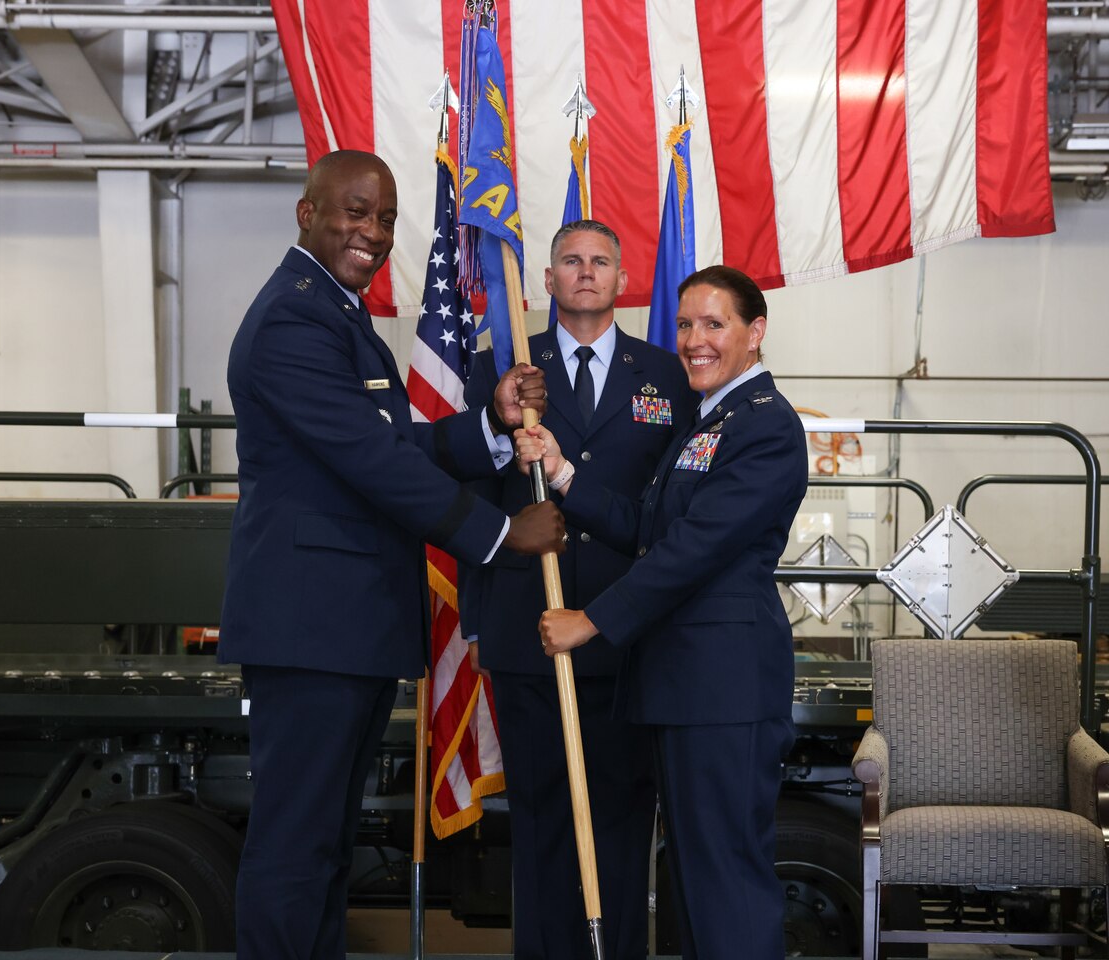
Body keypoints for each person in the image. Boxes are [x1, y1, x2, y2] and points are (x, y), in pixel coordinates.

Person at [218, 149, 566, 960]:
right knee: (295, 846)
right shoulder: (293, 320)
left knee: (324, 847)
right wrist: (500, 535)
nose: (372, 233)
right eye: (355, 212)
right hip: (311, 631)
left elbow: (395, 440)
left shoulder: (337, 314)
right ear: (307, 213)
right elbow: (370, 461)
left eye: (384, 219)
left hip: (343, 630)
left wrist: (490, 423)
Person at [519, 265, 808, 960]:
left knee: (726, 882)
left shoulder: (766, 425)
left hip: (725, 690)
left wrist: (591, 621)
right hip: (684, 686)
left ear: (755, 332)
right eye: (684, 324)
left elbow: (695, 548)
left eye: (714, 324)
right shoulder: (709, 419)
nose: (694, 340)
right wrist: (563, 474)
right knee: (698, 885)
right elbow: (650, 529)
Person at [460, 219, 698, 960]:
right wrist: (476, 621)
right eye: (571, 260)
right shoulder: (505, 367)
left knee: (624, 819)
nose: (586, 271)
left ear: (622, 278)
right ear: (548, 280)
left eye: (600, 261)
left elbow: (675, 506)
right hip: (529, 628)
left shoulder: (666, 374)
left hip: (629, 632)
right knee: (540, 822)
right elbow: (469, 497)